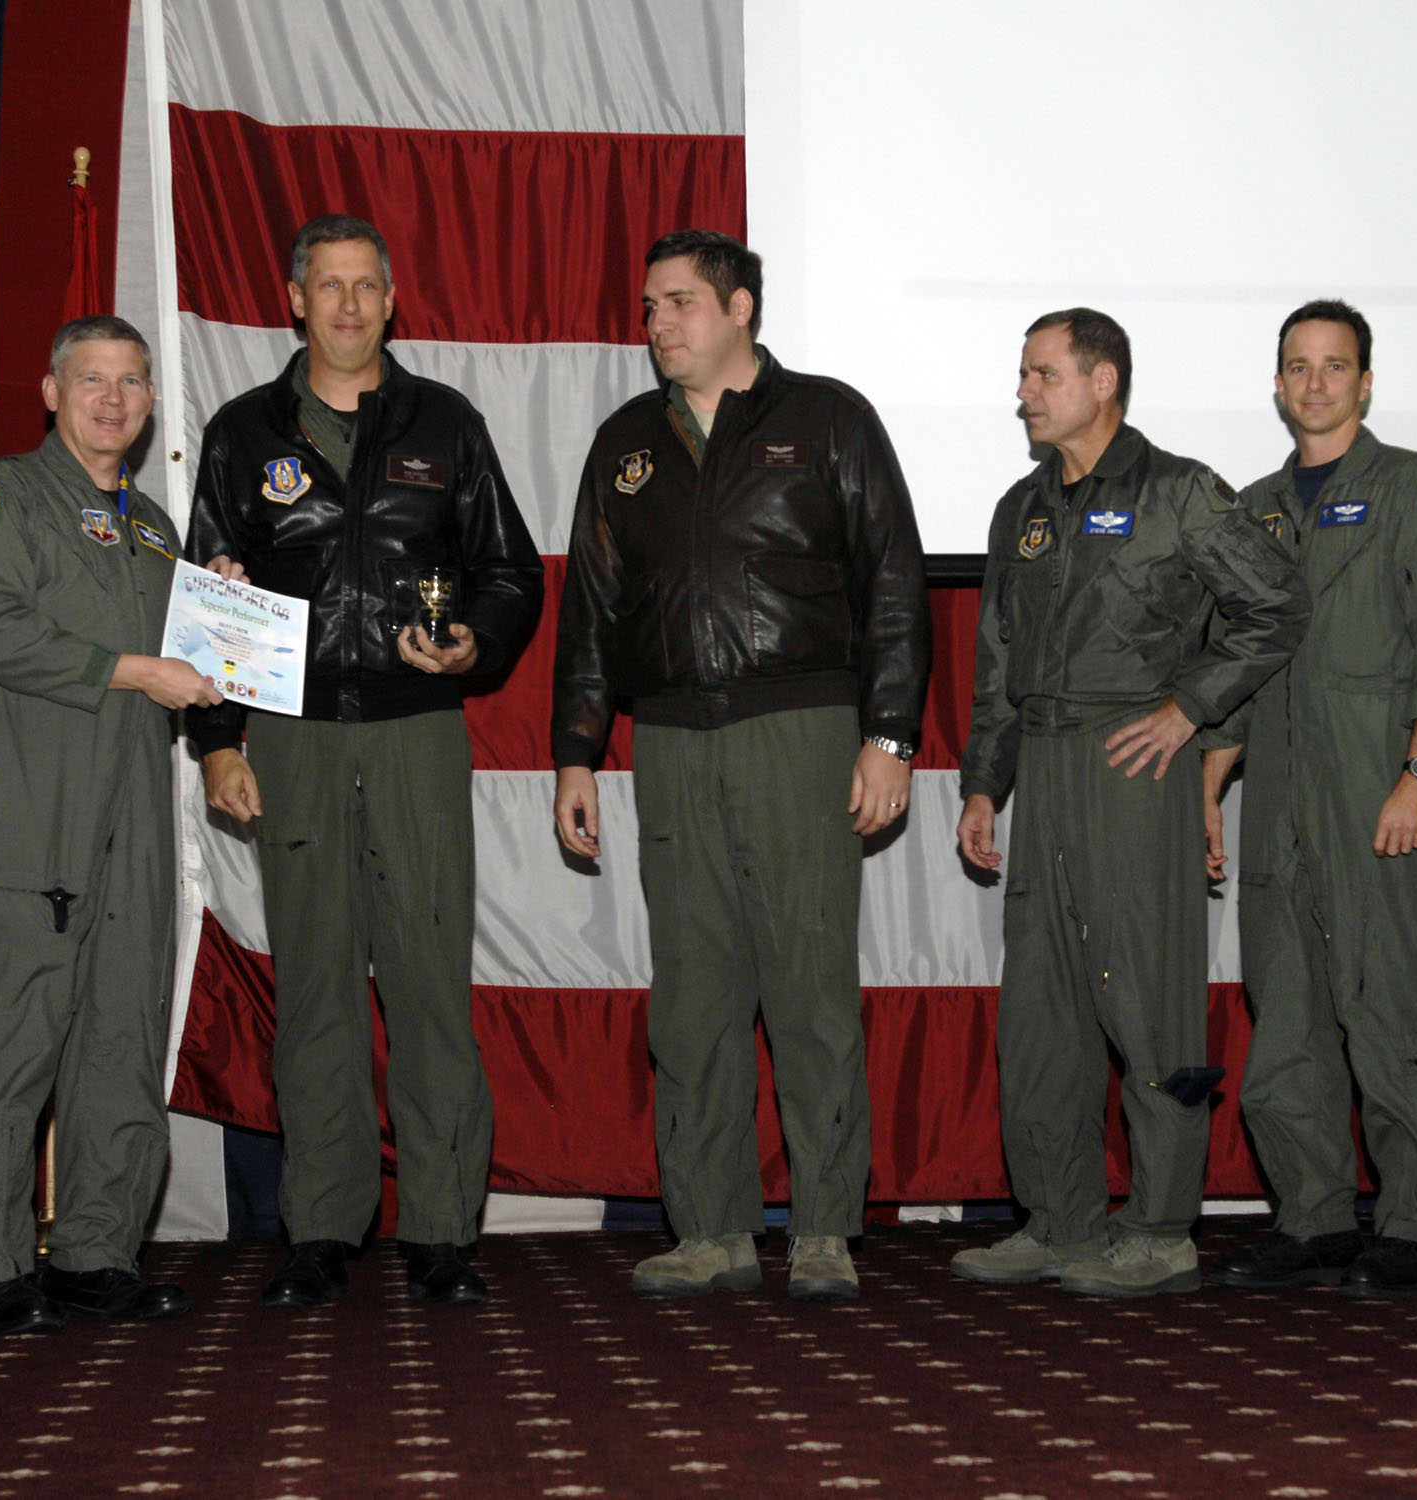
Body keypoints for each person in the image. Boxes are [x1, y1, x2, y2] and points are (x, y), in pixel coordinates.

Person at [552, 229, 931, 1303]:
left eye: (677, 302)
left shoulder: (827, 419)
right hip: (668, 738)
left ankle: (822, 1227)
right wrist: (578, 751)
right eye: (648, 306)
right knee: (694, 998)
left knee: (809, 985)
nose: (657, 323)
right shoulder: (626, 441)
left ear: (740, 307)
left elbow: (896, 583)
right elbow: (591, 608)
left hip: (801, 730)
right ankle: (711, 1227)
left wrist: (890, 736)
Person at [185, 214, 542, 1310]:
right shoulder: (246, 432)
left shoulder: (447, 422)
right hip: (288, 740)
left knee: (432, 985)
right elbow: (208, 592)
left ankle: (441, 1228)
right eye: (327, 286)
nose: (346, 305)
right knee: (319, 993)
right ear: (295, 301)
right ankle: (322, 1227)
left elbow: (511, 572)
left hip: (414, 736)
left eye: (365, 287)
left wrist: (476, 639)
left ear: (393, 302)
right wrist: (214, 747)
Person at [950, 308, 1308, 1297]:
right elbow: (996, 663)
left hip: (1132, 769)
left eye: (1042, 374)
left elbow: (1276, 605)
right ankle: (1059, 1220)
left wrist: (1187, 710)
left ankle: (1160, 1228)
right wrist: (987, 781)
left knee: (1149, 1011)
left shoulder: (1180, 493)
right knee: (1042, 1015)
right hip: (1047, 773)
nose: (1023, 392)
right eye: (1023, 374)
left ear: (1102, 382)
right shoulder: (1020, 507)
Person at [0, 315, 219, 1334]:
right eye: (92, 379)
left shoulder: (153, 528)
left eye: (132, 382)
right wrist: (137, 668)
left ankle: (96, 1255)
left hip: (135, 807)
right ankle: (0, 1267)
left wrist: (216, 617)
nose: (113, 398)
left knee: (120, 1035)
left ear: (149, 403)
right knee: (9, 1036)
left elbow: (192, 663)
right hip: (28, 807)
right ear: (52, 391)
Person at [1201, 300, 1417, 1300]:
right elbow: (1231, 663)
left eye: (1335, 366)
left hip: (1376, 791)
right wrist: (1210, 786)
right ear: (1277, 385)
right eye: (1298, 366)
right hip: (1275, 801)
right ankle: (1314, 1215)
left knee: (1389, 1006)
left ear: (1366, 383)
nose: (1316, 382)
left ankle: (1412, 1222)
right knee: (1284, 1013)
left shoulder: (1413, 489)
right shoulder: (1252, 511)